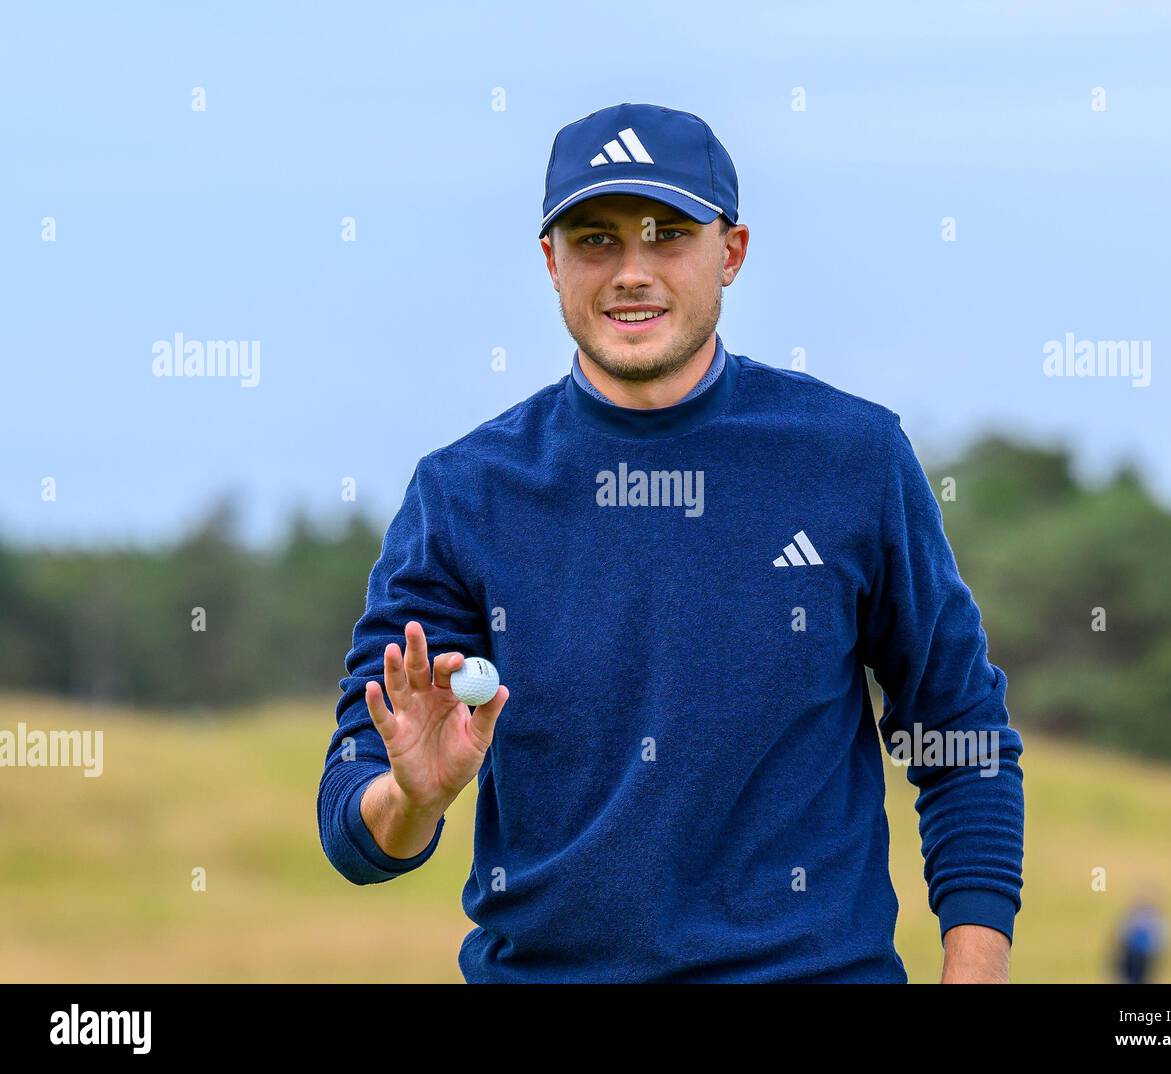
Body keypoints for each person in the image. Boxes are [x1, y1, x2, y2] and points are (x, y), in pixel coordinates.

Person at [316, 102, 1026, 983]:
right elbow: (352, 813)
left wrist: (976, 966)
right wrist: (411, 799)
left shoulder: (853, 459)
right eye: (594, 240)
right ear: (551, 262)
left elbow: (958, 732)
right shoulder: (464, 494)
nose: (630, 273)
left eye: (667, 235)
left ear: (730, 251)